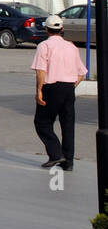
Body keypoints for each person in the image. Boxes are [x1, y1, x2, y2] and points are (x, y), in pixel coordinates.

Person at [30, 15, 87, 170]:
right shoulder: (71, 47)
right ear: (62, 29)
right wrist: (71, 86)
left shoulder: (44, 46)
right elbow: (82, 73)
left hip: (51, 88)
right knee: (68, 125)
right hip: (68, 88)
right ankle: (68, 162)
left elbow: (41, 71)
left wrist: (39, 90)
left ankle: (56, 154)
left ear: (46, 29)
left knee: (42, 123)